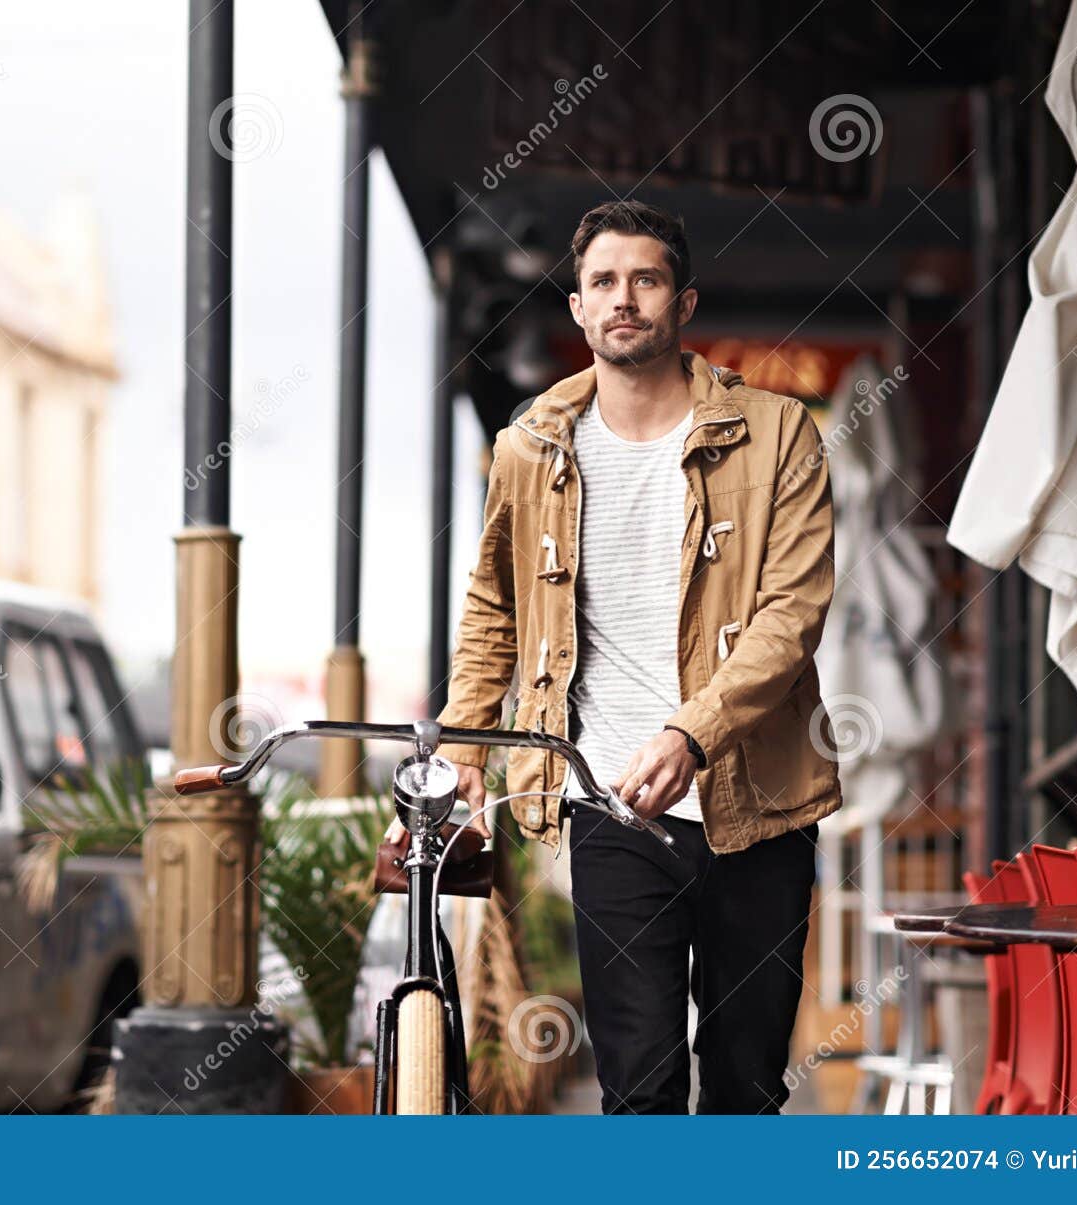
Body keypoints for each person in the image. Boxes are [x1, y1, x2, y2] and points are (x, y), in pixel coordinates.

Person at [434, 199, 842, 1113]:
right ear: (577, 309)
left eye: (646, 280)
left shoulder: (779, 435)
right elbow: (494, 606)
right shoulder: (529, 447)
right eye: (604, 282)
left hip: (759, 806)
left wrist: (692, 735)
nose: (625, 299)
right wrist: (464, 742)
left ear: (684, 301)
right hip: (608, 804)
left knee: (744, 1087)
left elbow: (793, 612)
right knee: (639, 1091)